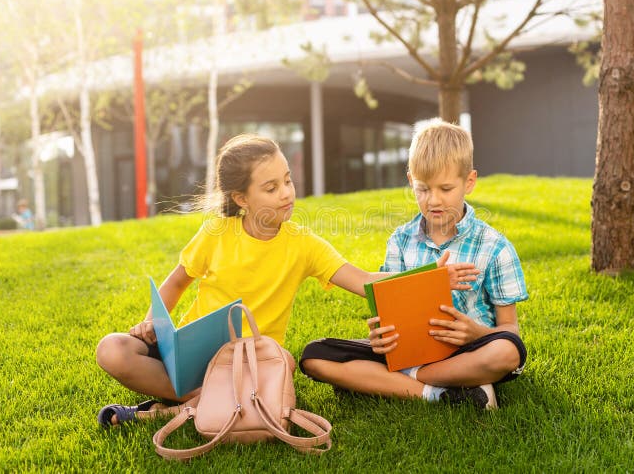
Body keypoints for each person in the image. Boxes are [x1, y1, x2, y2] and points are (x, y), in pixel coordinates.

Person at [95, 133, 478, 426]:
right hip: (194, 359)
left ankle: (174, 410)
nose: (286, 194)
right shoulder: (215, 234)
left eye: (288, 181)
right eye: (271, 187)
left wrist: (430, 276)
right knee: (112, 349)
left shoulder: (303, 244)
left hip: (254, 364)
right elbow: (177, 282)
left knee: (286, 363)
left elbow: (364, 282)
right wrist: (150, 322)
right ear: (240, 198)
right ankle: (203, 401)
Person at [300, 120, 529, 410]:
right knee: (315, 356)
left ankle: (412, 380)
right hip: (406, 352)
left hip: (468, 351)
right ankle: (441, 393)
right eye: (423, 189)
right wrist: (381, 337)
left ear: (469, 182)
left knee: (508, 352)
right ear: (411, 181)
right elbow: (389, 310)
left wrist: (476, 333)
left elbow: (510, 329)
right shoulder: (400, 241)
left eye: (446, 188)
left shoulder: (495, 247)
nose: (433, 200)